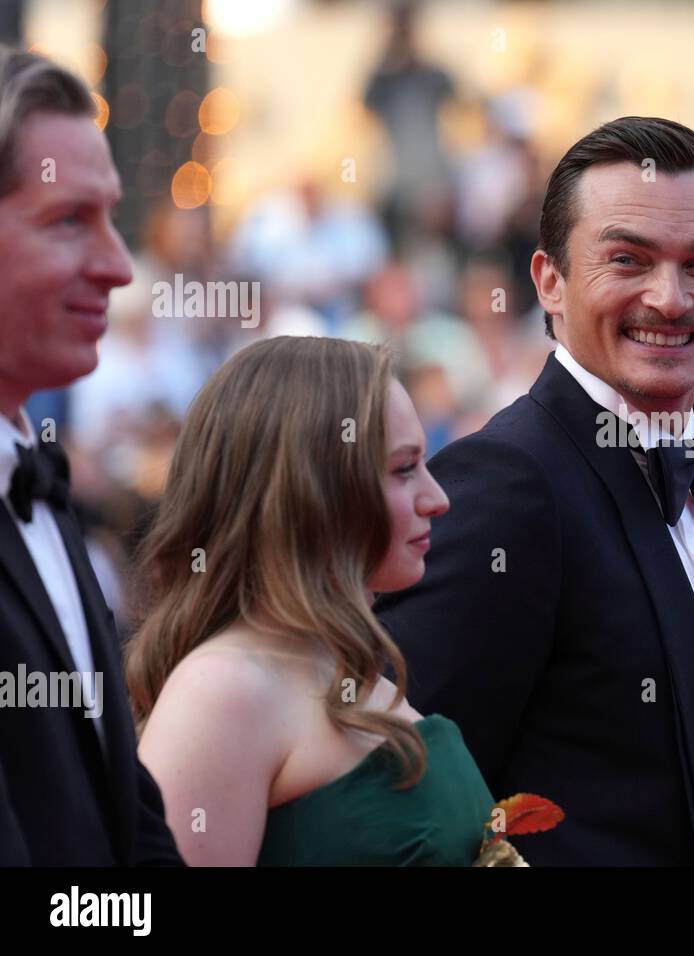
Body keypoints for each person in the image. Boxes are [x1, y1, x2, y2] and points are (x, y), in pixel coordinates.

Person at [376, 116, 694, 866]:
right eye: (628, 260)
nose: (670, 299)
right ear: (549, 283)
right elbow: (409, 797)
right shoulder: (509, 483)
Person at [130, 337, 496, 866]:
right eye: (403, 469)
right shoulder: (223, 688)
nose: (437, 499)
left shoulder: (346, 665)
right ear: (309, 490)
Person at [0, 45, 180, 865]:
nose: (117, 266)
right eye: (70, 219)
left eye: (112, 216)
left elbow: (127, 811)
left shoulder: (37, 489)